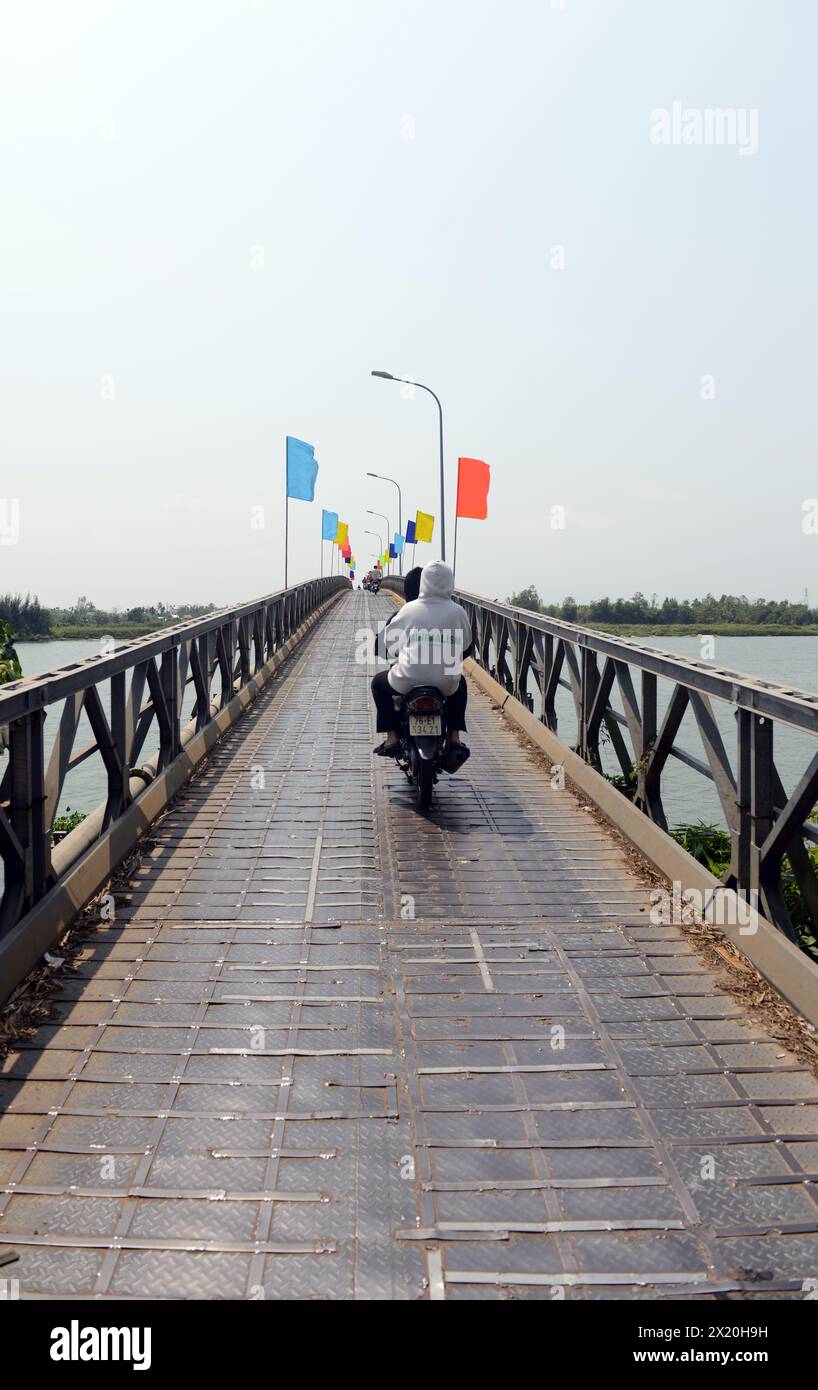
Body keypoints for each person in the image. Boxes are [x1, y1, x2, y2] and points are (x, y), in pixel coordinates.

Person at [371, 560, 472, 772]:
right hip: (446, 683)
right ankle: (454, 737)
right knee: (460, 684)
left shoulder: (409, 609)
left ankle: (391, 737)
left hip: (407, 679)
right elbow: (467, 646)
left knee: (378, 684)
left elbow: (384, 643)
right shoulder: (458, 612)